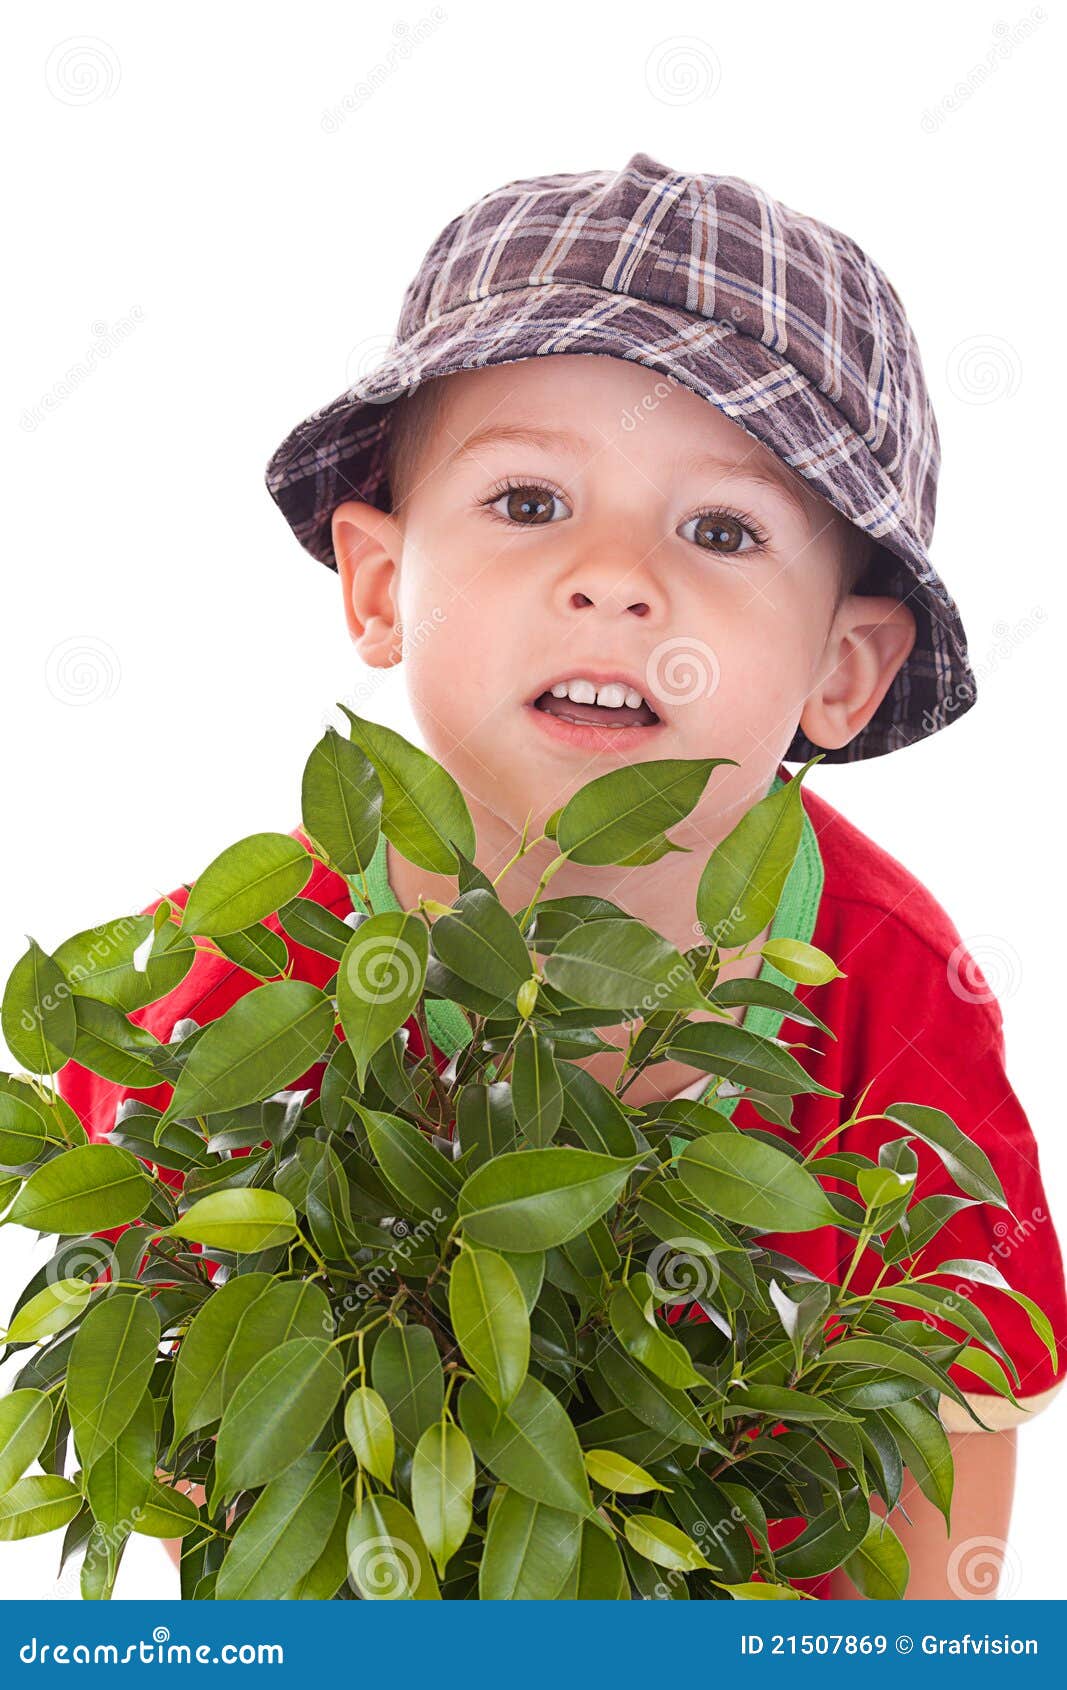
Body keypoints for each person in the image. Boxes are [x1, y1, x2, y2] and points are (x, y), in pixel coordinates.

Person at [58, 152, 1065, 1599]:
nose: (611, 577)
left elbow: (953, 1408)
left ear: (843, 666)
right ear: (379, 583)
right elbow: (149, 1302)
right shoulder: (260, 959)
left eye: (720, 529)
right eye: (530, 501)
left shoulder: (885, 975)